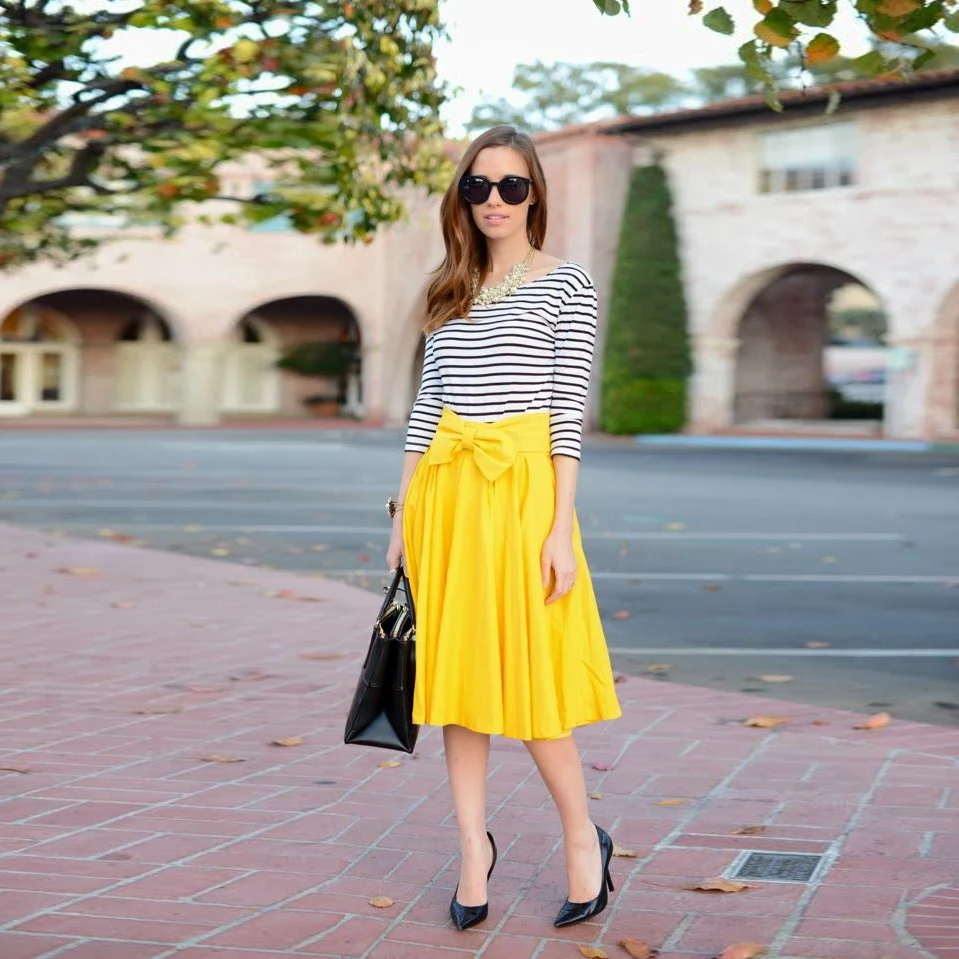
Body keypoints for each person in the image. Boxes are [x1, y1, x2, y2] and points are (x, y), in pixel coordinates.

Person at [385, 124, 622, 931]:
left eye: (510, 186)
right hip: (447, 497)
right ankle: (469, 850)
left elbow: (566, 414)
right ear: (461, 196)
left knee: (530, 685)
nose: (493, 200)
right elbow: (426, 408)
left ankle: (582, 839)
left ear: (534, 195)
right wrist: (401, 511)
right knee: (456, 685)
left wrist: (560, 527)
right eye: (478, 186)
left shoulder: (566, 284)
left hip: (522, 496)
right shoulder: (444, 287)